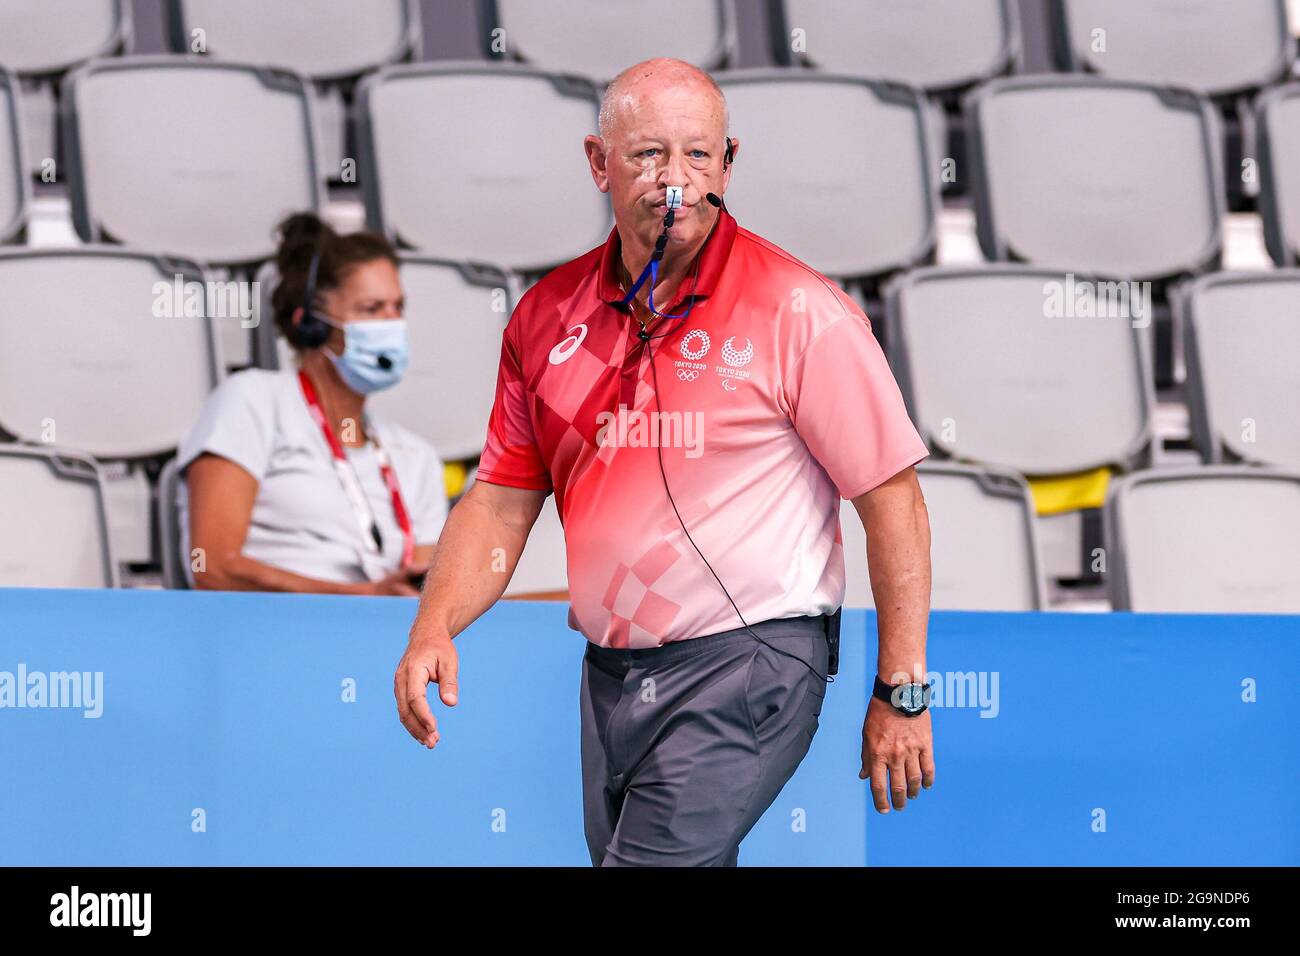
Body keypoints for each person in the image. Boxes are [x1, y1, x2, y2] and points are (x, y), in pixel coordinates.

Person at [395, 58, 935, 865]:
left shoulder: (800, 311)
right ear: (597, 162)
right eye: (647, 154)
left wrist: (903, 689)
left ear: (728, 164)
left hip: (752, 658)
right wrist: (433, 624)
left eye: (697, 155)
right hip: (611, 673)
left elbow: (892, 500)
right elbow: (502, 499)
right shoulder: (546, 317)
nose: (673, 179)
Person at [178, 213, 447, 596]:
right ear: (311, 324)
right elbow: (211, 566)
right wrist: (360, 597)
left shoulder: (415, 455)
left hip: (382, 644)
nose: (392, 325)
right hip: (271, 637)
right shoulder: (251, 401)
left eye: (397, 307)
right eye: (371, 309)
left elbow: (423, 591)